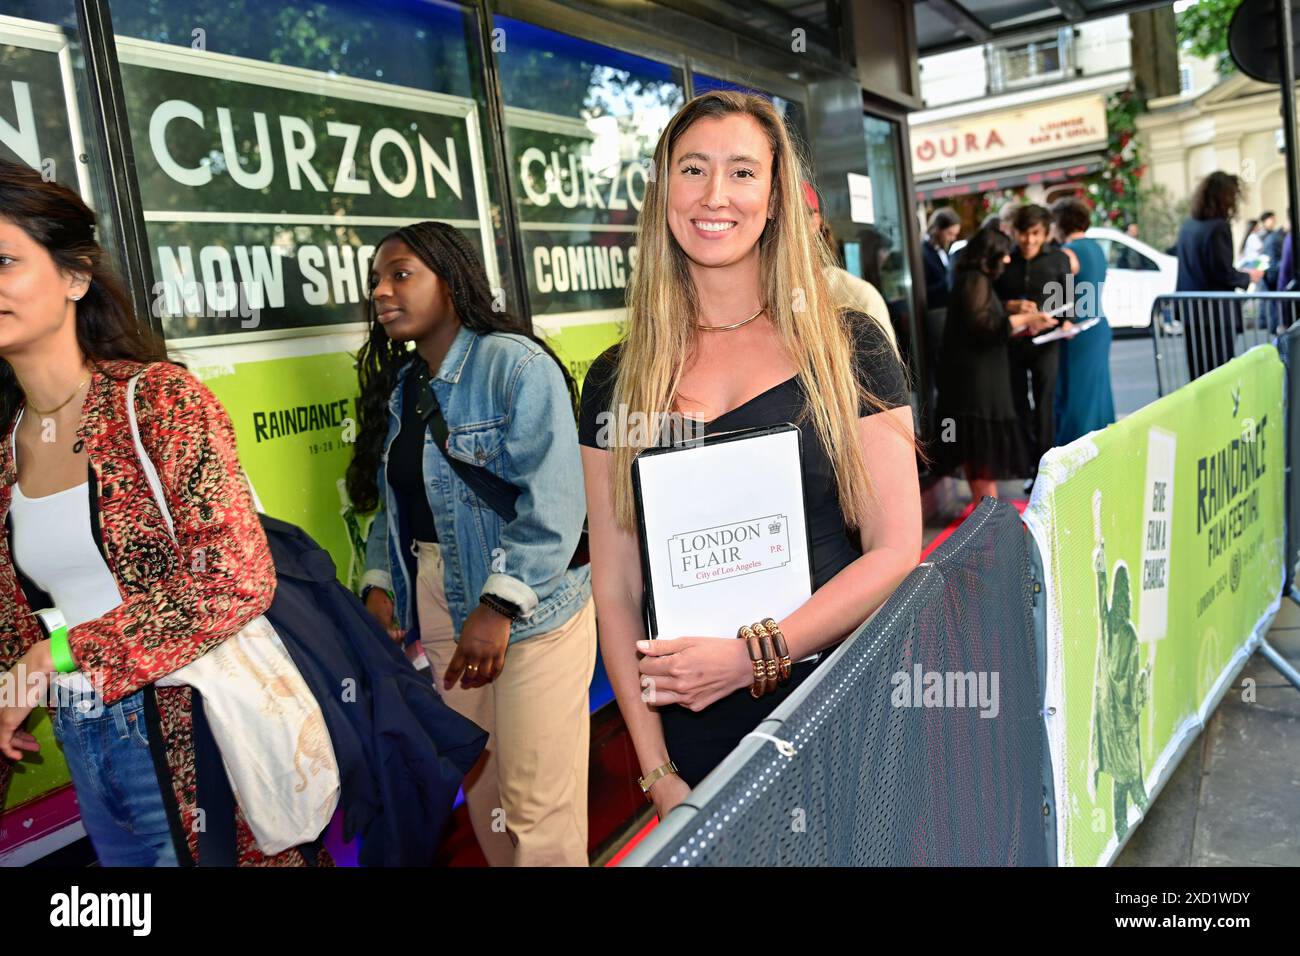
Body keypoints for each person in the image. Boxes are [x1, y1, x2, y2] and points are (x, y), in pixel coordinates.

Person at [578, 91, 921, 814]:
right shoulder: (617, 378)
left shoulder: (848, 347)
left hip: (841, 706)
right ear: (663, 190)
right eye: (693, 169)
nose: (714, 196)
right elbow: (615, 588)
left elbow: (894, 549)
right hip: (696, 735)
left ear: (774, 196)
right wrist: (656, 772)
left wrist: (751, 656)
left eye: (741, 172)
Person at [0, 160, 325, 867]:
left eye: (4, 260)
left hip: (187, 721)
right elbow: (17, 618)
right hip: (83, 735)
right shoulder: (7, 445)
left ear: (75, 276)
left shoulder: (157, 402)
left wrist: (52, 654)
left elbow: (234, 579)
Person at [350, 221, 596, 867]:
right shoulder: (405, 386)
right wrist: (379, 586)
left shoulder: (514, 363)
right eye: (376, 278)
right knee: (481, 788)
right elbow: (398, 506)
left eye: (400, 274)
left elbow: (557, 503)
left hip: (531, 606)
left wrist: (499, 605)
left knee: (535, 804)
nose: (381, 291)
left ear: (451, 284)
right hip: (438, 598)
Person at [934, 226, 1056, 501]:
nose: (1008, 259)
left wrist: (1011, 309)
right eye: (1003, 254)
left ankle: (988, 512)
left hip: (979, 378)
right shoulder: (973, 279)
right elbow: (984, 324)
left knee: (979, 453)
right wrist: (1026, 320)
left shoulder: (975, 279)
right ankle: (987, 515)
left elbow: (986, 317)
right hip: (974, 383)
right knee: (979, 454)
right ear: (989, 255)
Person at [995, 203, 1072, 486]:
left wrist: (1065, 321)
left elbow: (1069, 301)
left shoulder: (1058, 259)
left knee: (1043, 406)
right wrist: (1010, 306)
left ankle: (1045, 470)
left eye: (1036, 234)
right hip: (1013, 344)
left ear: (1046, 232)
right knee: (1018, 406)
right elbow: (992, 302)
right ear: (1014, 232)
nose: (1029, 240)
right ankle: (1028, 467)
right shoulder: (1004, 259)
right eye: (1023, 234)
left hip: (1046, 344)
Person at [1173, 172, 1265, 379]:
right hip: (1214, 315)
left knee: (1199, 375)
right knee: (1219, 375)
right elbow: (1222, 272)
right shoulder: (1217, 228)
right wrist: (1248, 277)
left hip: (1191, 312)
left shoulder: (1188, 226)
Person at [803, 180, 900, 356]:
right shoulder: (752, 299)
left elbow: (884, 379)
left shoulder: (854, 295)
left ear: (814, 222)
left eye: (790, 218)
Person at [1053, 196, 1117, 444]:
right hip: (1098, 324)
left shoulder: (1068, 253)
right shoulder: (1096, 248)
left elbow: (1059, 292)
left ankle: (1078, 453)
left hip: (1078, 331)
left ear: (1060, 224)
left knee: (1076, 397)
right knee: (1097, 394)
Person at [922, 207, 960, 310]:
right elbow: (923, 291)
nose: (953, 239)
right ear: (937, 230)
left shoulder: (943, 248)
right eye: (950, 234)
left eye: (955, 235)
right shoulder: (923, 253)